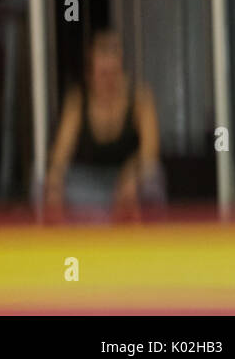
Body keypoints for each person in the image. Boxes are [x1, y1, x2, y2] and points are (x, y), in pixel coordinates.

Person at [44, 29, 166, 221]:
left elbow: (150, 151)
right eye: (103, 73)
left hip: (129, 180)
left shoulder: (139, 98)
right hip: (90, 184)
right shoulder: (78, 100)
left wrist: (132, 174)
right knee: (41, 181)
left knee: (153, 177)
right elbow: (60, 154)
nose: (108, 80)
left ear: (121, 69)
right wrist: (54, 183)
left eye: (113, 73)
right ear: (90, 72)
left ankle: (144, 243)